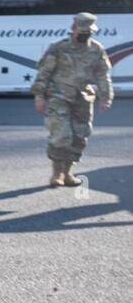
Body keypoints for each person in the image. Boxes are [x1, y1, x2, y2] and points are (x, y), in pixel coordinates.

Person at [33, 12, 113, 187]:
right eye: (82, 31)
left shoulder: (96, 49)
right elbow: (44, 73)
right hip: (58, 96)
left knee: (80, 137)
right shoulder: (58, 48)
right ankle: (57, 174)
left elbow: (102, 75)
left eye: (89, 32)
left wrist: (106, 97)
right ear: (73, 28)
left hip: (83, 98)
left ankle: (67, 173)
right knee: (61, 135)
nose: (85, 34)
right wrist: (39, 96)